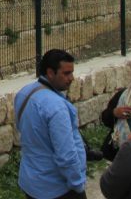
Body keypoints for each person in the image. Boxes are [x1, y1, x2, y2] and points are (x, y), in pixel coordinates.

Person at [14, 49, 87, 199]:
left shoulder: (24, 93)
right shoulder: (56, 107)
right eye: (66, 73)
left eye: (72, 73)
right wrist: (77, 184)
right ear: (50, 73)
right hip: (56, 187)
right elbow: (66, 155)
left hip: (31, 182)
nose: (71, 78)